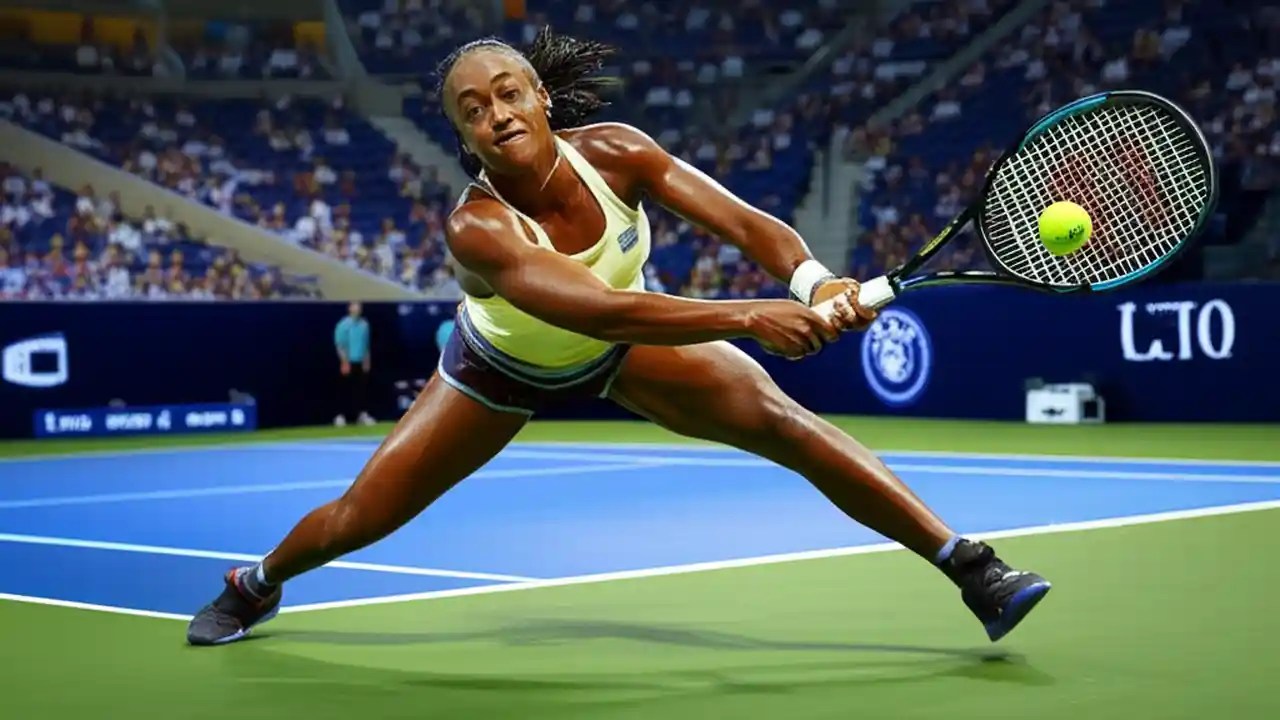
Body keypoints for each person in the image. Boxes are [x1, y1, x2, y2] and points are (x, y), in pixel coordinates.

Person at [186, 28, 1050, 646]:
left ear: (542, 97)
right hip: (498, 371)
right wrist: (751, 315)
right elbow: (601, 309)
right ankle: (255, 583)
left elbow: (744, 223)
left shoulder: (618, 153)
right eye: (474, 110)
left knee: (791, 426)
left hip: (624, 350)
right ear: (463, 136)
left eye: (509, 93)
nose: (497, 114)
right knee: (359, 518)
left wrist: (811, 281)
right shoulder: (478, 228)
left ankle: (972, 569)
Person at [333, 301, 375, 426]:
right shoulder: (343, 325)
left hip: (360, 361)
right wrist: (344, 362)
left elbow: (366, 345)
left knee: (361, 390)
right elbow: (340, 345)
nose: (357, 310)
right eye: (355, 307)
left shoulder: (364, 325)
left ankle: (362, 415)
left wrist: (367, 361)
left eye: (359, 308)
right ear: (350, 309)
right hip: (348, 361)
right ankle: (341, 416)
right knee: (346, 390)